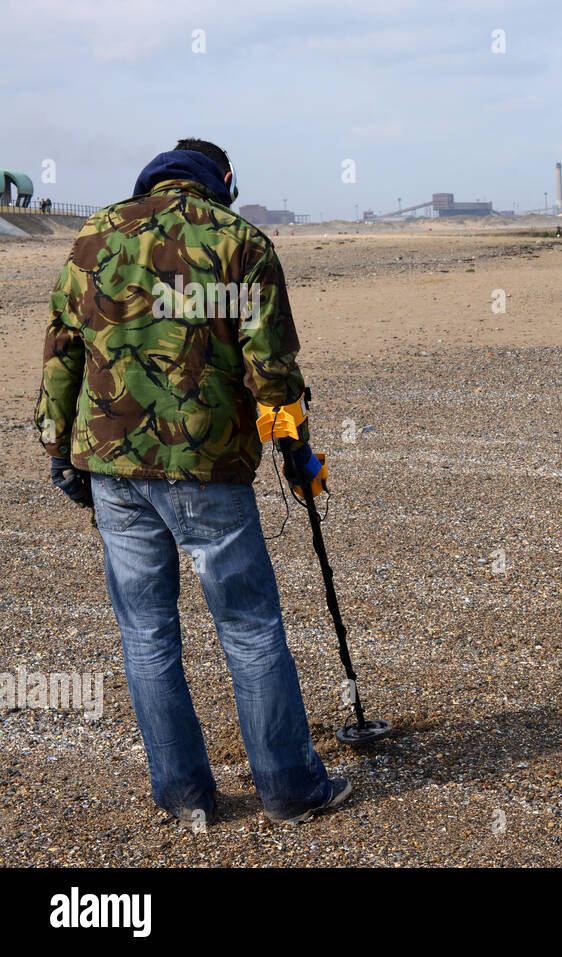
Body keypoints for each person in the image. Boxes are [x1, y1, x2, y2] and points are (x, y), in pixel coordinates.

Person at [35, 138, 350, 828]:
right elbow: (272, 370)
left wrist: (57, 447)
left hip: (112, 464)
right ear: (224, 181)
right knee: (248, 625)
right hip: (206, 466)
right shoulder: (240, 240)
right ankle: (290, 788)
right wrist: (298, 458)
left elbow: (62, 347)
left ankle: (184, 797)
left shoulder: (93, 238)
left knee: (146, 632)